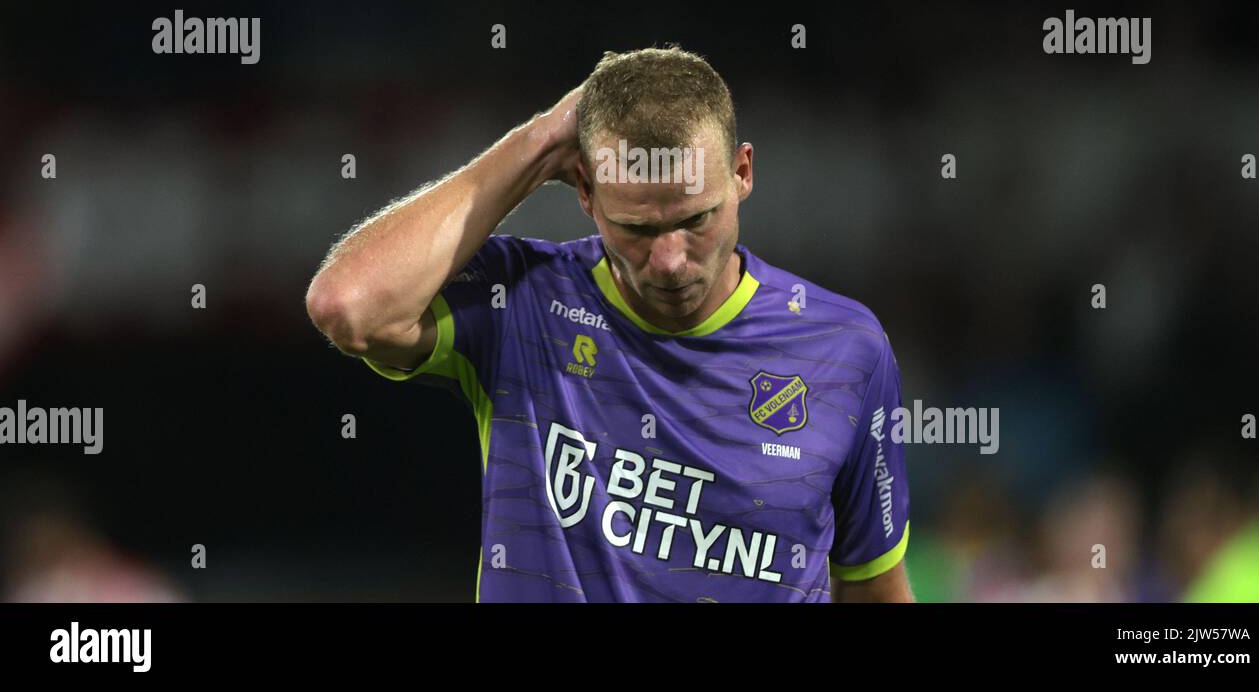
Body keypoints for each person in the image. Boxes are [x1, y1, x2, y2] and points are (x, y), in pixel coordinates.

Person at [306, 44, 913, 602]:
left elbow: (873, 586)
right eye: (637, 228)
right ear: (585, 194)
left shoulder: (844, 348)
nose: (670, 261)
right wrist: (541, 140)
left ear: (743, 173)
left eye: (696, 219)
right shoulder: (521, 299)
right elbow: (349, 307)